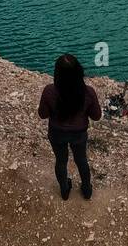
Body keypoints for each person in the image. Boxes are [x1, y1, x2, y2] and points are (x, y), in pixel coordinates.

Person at [37, 53, 101, 200]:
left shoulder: (49, 91)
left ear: (57, 73)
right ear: (79, 72)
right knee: (81, 160)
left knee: (61, 161)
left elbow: (43, 114)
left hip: (57, 132)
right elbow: (96, 116)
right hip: (79, 133)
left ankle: (65, 190)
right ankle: (86, 190)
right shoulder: (88, 92)